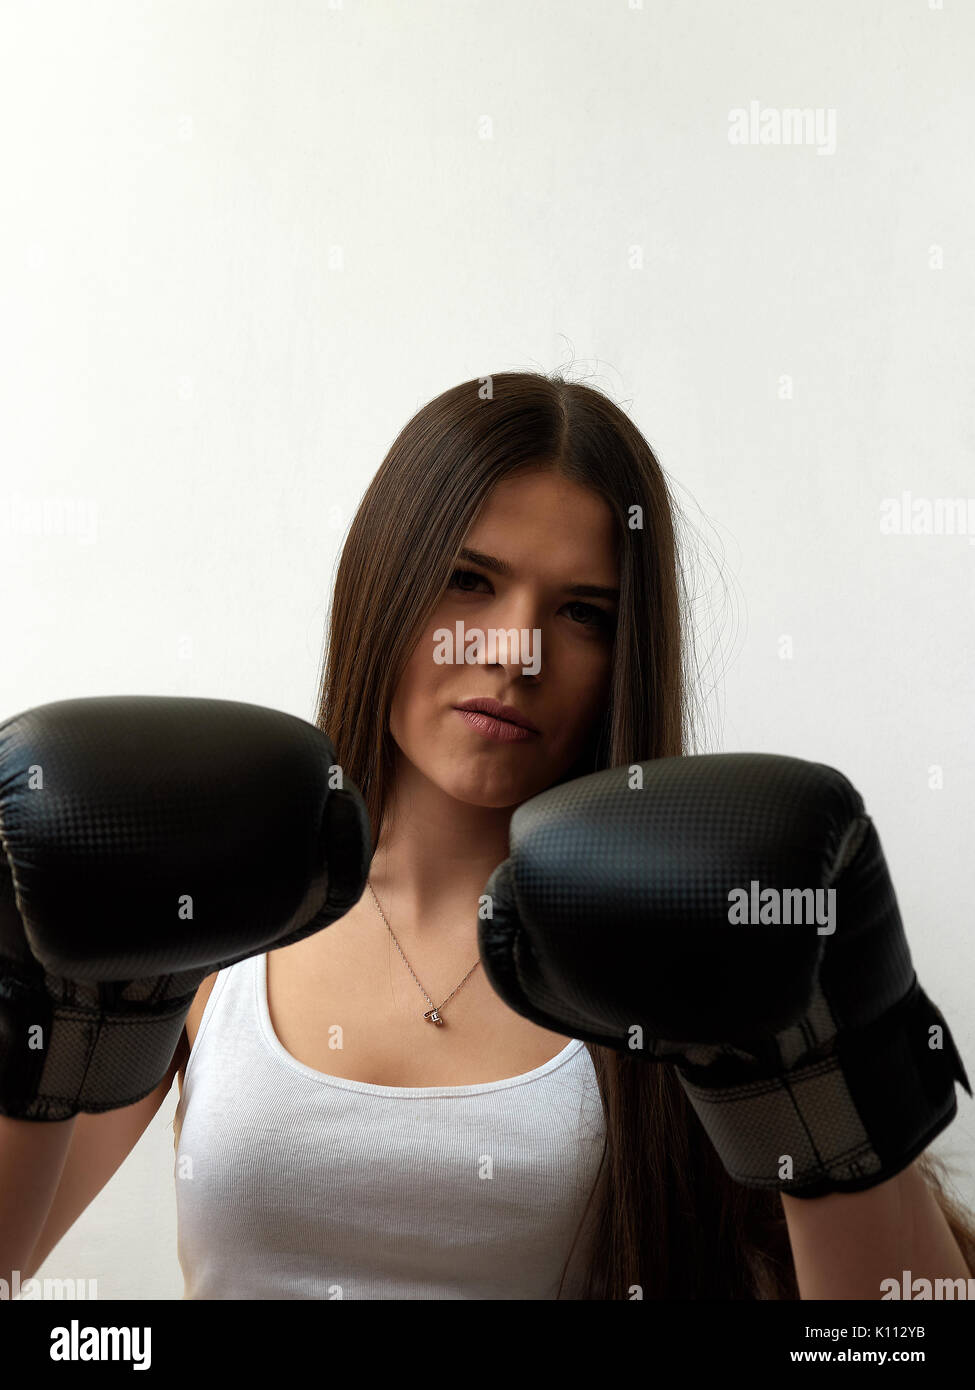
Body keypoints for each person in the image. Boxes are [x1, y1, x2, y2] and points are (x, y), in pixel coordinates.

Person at [9, 371, 975, 1298]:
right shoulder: (230, 895)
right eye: (469, 580)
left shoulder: (669, 927)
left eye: (583, 613)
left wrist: (837, 1095)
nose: (513, 653)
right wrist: (29, 1010)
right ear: (381, 584)